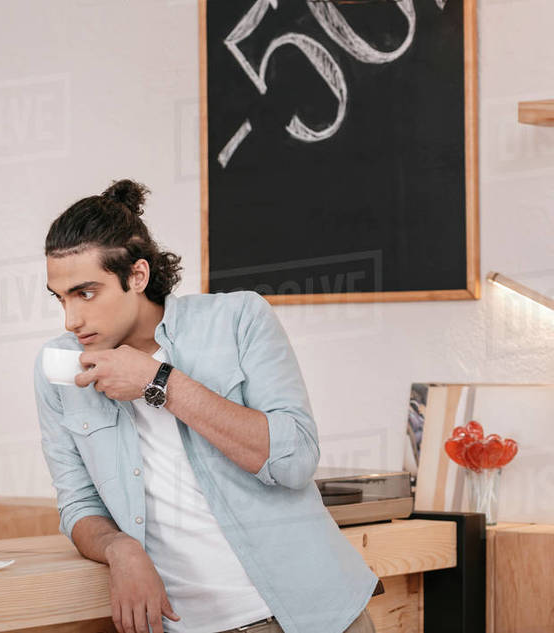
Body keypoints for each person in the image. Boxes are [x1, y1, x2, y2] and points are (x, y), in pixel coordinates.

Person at [33, 179, 379, 633]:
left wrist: (158, 382)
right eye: (60, 298)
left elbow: (294, 460)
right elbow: (78, 502)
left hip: (313, 618)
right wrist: (119, 548)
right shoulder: (59, 367)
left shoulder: (238, 319)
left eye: (86, 292)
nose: (71, 319)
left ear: (136, 276)